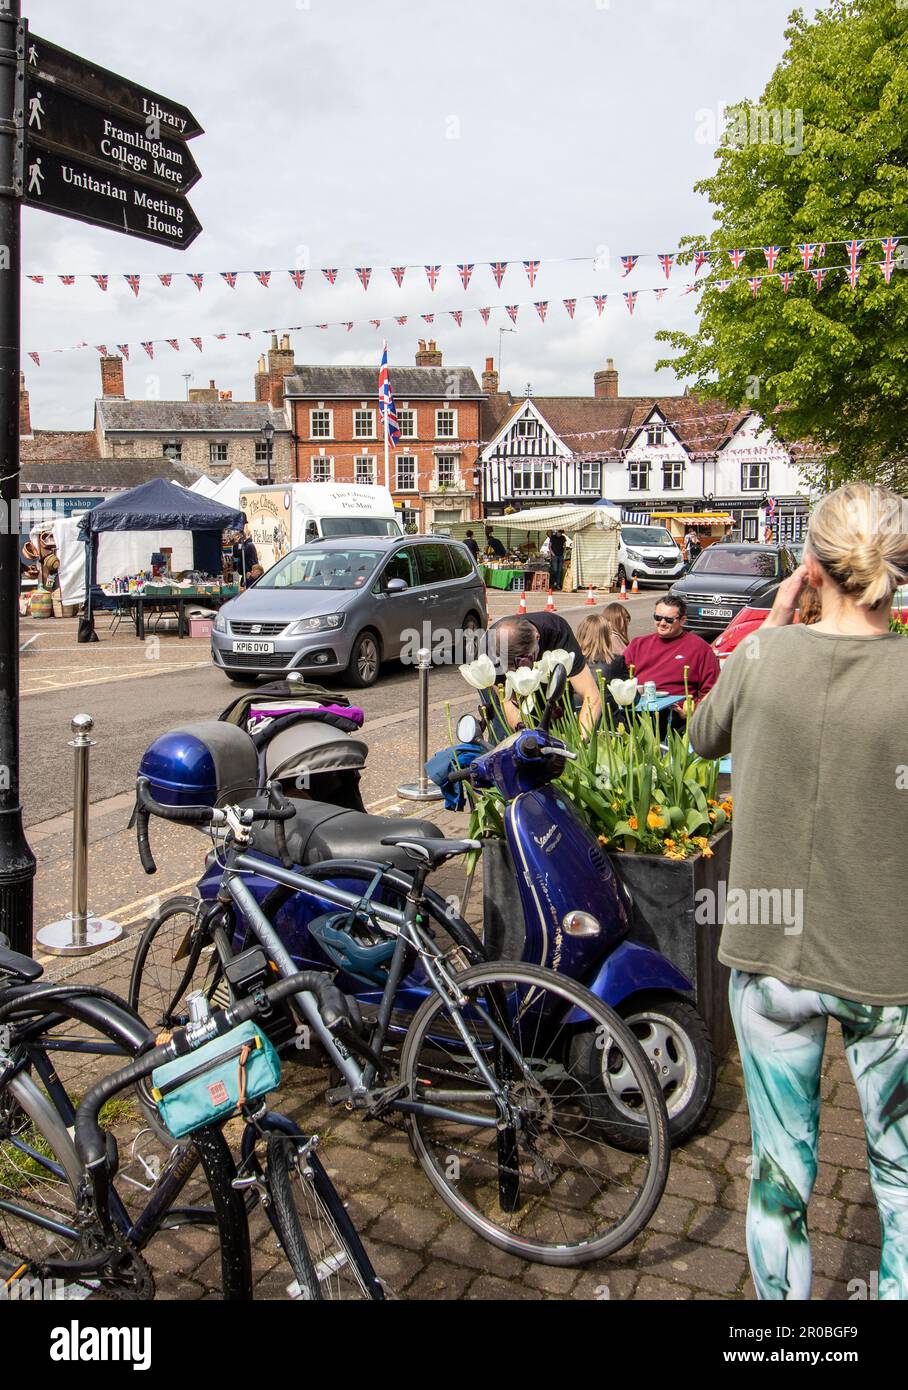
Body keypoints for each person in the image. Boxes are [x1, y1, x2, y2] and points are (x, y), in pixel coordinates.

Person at [690, 483, 908, 1302]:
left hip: (771, 960)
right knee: (901, 1178)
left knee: (780, 1179)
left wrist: (774, 622)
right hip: (889, 968)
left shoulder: (764, 656)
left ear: (811, 568)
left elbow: (705, 735)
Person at [482, 612, 601, 733]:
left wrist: (582, 744)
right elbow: (507, 702)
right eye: (511, 668)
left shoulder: (557, 631)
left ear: (537, 638)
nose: (520, 671)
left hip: (553, 681)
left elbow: (591, 695)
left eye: (524, 663)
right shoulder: (491, 648)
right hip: (510, 693)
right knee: (505, 736)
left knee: (562, 725)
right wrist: (527, 739)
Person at [605, 595, 720, 719]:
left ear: (682, 620)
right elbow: (620, 679)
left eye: (669, 620)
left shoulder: (700, 648)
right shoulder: (638, 644)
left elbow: (712, 690)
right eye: (658, 617)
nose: (662, 623)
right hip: (637, 710)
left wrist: (691, 712)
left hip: (675, 714)